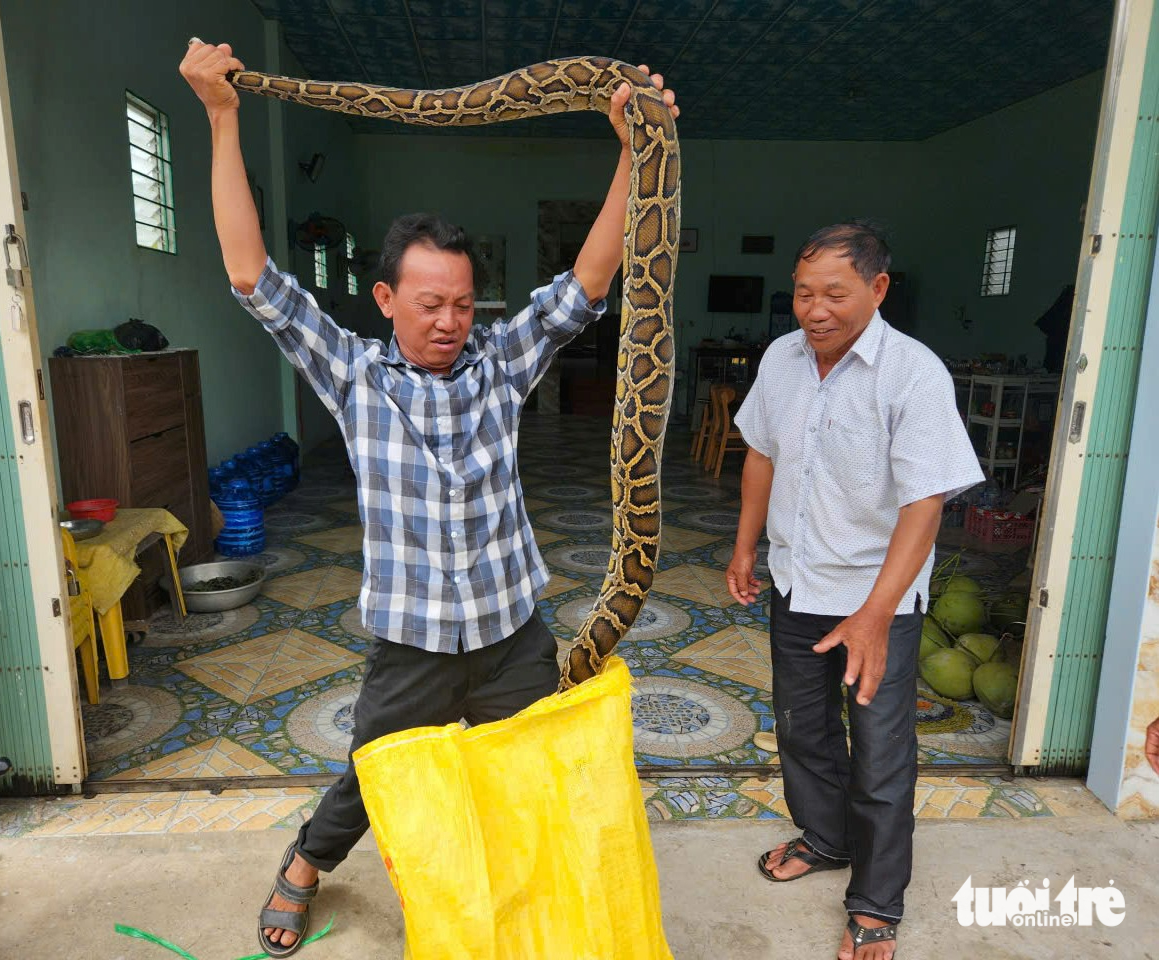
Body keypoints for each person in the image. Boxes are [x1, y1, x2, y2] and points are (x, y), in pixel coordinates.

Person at [179, 39, 677, 957]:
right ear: (386, 299)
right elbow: (251, 274)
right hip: (411, 637)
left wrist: (632, 150)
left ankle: (518, 898)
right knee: (380, 768)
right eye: (429, 304)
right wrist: (221, 116)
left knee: (529, 769)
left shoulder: (501, 366)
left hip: (511, 632)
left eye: (463, 304)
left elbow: (589, 283)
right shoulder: (354, 376)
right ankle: (301, 867)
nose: (450, 322)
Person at [725, 221, 983, 960]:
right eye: (804, 292)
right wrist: (746, 546)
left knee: (878, 753)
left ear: (876, 289)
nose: (814, 309)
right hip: (798, 582)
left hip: (881, 600)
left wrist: (875, 615)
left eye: (834, 293)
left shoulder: (913, 373)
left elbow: (925, 502)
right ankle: (827, 839)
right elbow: (762, 455)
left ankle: (876, 904)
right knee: (803, 730)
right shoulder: (779, 359)